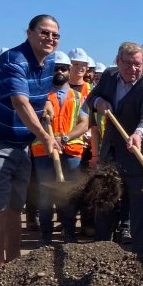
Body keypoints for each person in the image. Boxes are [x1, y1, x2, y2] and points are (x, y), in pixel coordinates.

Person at [0, 14, 59, 268]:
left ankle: (14, 267)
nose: (49, 38)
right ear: (29, 33)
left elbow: (37, 95)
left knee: (14, 208)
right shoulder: (14, 60)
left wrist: (47, 104)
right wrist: (45, 136)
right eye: (44, 32)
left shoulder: (48, 61)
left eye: (54, 35)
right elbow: (20, 101)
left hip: (21, 144)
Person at [86, 42, 143, 254]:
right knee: (105, 206)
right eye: (128, 64)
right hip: (110, 155)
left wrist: (139, 133)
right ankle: (101, 254)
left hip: (139, 157)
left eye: (138, 64)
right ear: (118, 61)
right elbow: (91, 97)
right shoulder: (109, 76)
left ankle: (140, 259)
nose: (134, 69)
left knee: (139, 211)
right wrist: (99, 101)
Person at [34, 51, 90, 244]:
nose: (59, 71)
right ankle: (46, 236)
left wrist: (65, 138)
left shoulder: (77, 96)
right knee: (45, 194)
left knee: (69, 194)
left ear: (69, 70)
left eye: (63, 68)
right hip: (44, 150)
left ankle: (69, 233)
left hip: (71, 151)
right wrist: (49, 138)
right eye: (55, 68)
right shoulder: (39, 96)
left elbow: (84, 123)